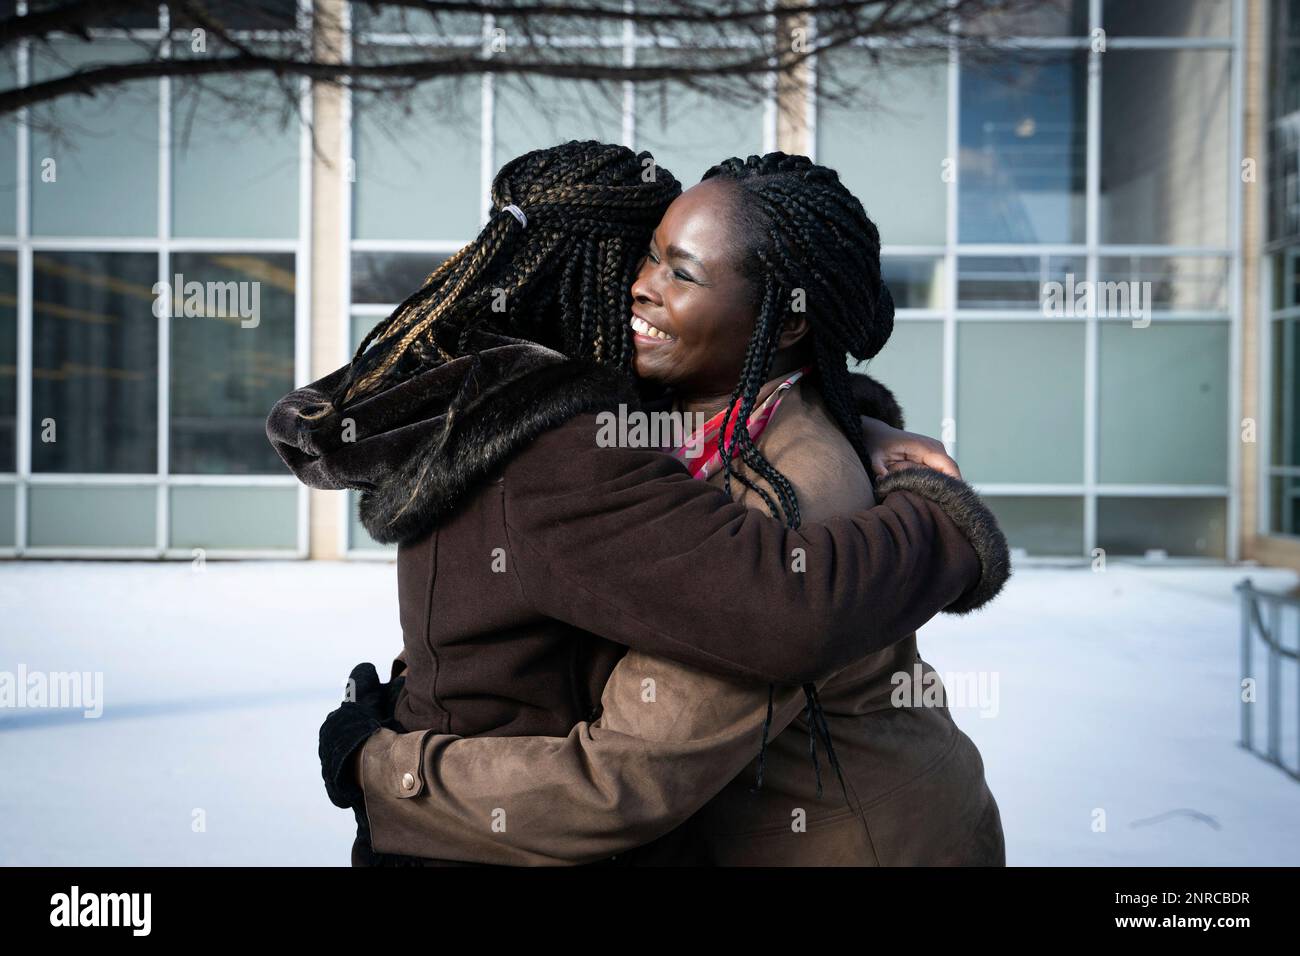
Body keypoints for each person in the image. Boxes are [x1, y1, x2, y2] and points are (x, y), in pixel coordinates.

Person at [266, 141, 1008, 866]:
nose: (639, 286)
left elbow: (630, 779)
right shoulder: (648, 415)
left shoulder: (789, 488)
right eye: (646, 255)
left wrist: (384, 770)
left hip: (864, 844)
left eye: (679, 270)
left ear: (785, 322)